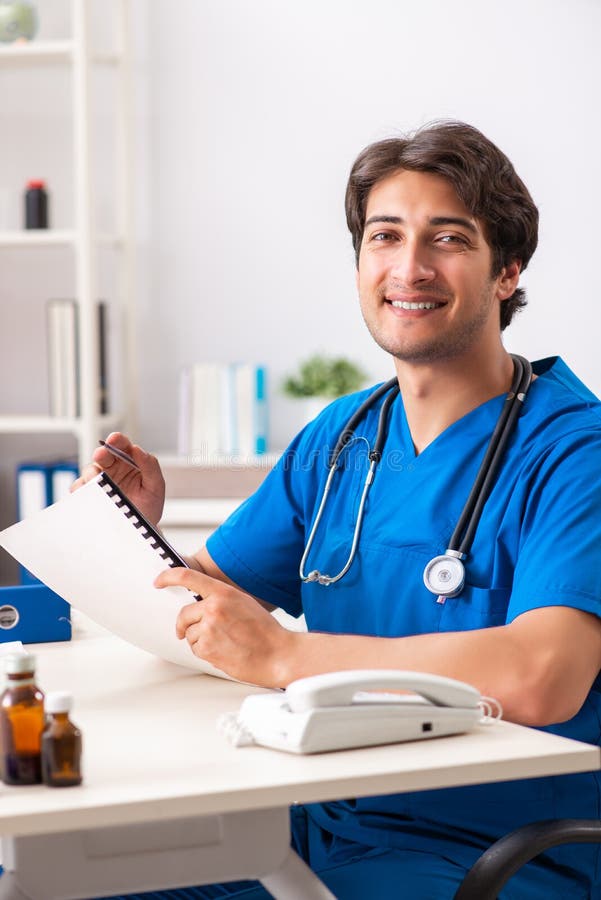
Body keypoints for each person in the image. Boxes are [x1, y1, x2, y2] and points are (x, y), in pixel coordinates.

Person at [76, 121, 601, 899]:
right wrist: (138, 536)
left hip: (483, 852)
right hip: (309, 817)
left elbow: (542, 675)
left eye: (447, 238)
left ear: (506, 272)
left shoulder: (572, 452)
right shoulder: (341, 438)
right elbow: (209, 610)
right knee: (55, 872)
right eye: (384, 236)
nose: (409, 267)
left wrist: (286, 658)